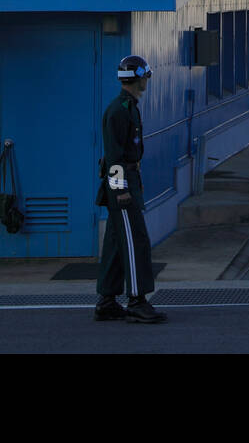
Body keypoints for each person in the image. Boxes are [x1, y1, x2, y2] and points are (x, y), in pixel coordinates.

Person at [94, 55, 167, 323]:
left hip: (128, 180)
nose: (147, 79)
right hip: (122, 186)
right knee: (136, 241)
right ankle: (136, 299)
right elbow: (113, 157)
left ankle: (107, 300)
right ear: (138, 77)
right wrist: (121, 190)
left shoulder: (129, 107)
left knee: (115, 243)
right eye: (145, 75)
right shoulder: (119, 110)